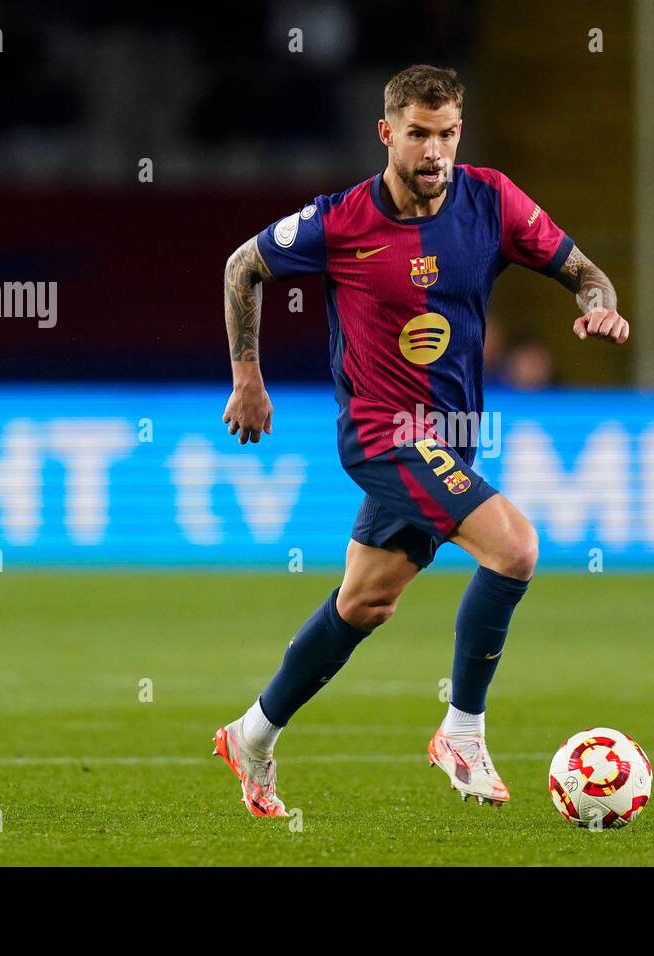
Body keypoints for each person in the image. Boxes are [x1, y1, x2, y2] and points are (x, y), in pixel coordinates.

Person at [215, 64, 628, 815]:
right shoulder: (340, 221)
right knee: (515, 548)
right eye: (418, 135)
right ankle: (462, 732)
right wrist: (248, 378)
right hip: (382, 435)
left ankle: (251, 734)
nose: (434, 151)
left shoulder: (491, 200)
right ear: (387, 134)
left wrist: (599, 304)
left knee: (365, 602)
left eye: (446, 134)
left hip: (452, 440)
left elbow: (584, 272)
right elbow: (243, 267)